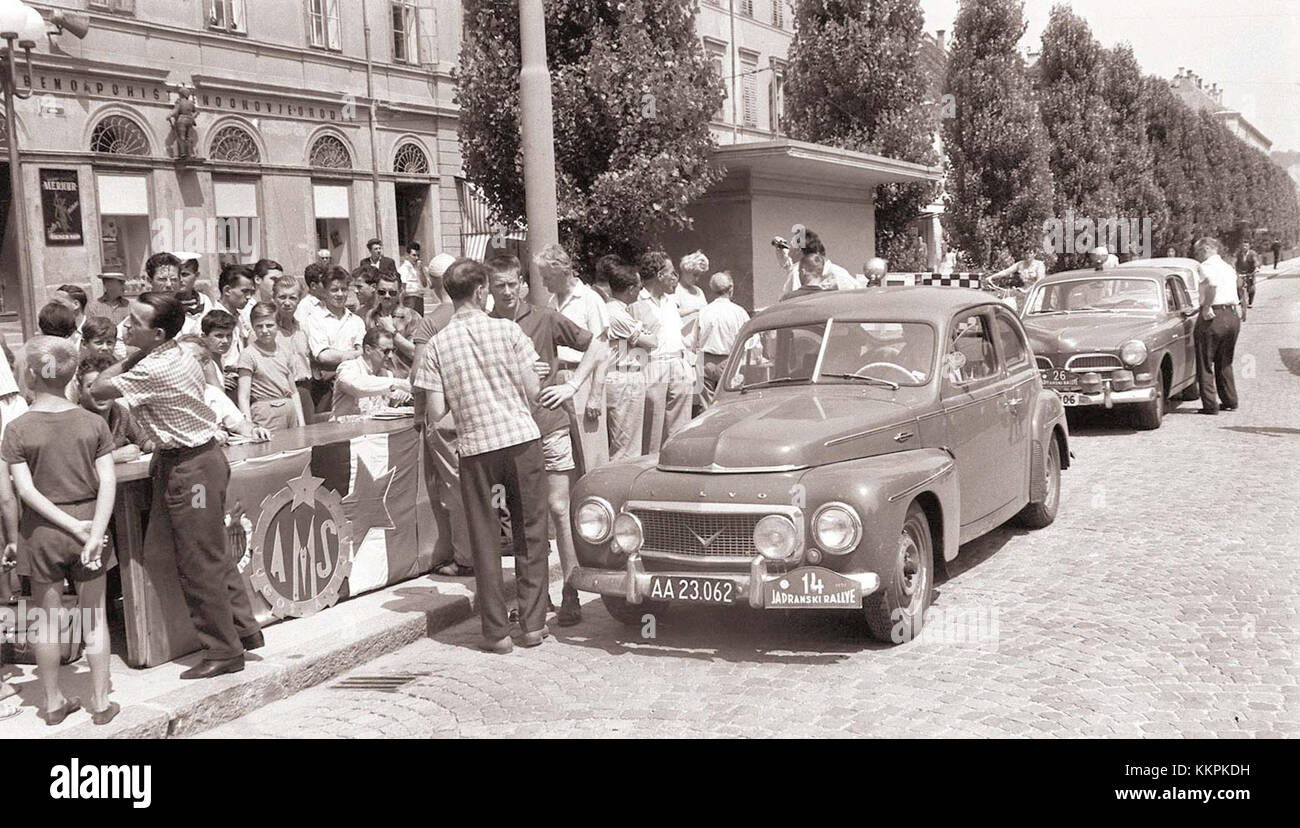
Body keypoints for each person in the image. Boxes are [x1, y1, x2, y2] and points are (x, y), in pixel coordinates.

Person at [89, 293, 263, 679]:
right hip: (193, 460)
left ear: (159, 333)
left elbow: (97, 389)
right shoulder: (176, 351)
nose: (126, 327)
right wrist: (140, 349)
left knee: (198, 561)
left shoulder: (154, 367)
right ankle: (244, 630)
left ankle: (223, 649)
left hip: (191, 466)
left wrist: (129, 355)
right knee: (212, 552)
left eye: (135, 322)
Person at [412, 259, 551, 654]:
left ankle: (496, 632)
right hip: (521, 440)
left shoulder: (438, 345)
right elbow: (532, 390)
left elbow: (437, 416)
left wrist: (473, 411)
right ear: (479, 291)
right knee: (531, 531)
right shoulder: (508, 330)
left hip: (476, 448)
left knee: (485, 540)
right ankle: (534, 624)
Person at [1, 336, 118, 725]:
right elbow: (108, 483)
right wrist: (94, 531)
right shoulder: (93, 422)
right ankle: (101, 702)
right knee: (95, 617)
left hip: (43, 533)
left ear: (31, 375)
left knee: (46, 622)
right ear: (71, 377)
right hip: (90, 525)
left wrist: (67, 524)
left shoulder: (17, 429)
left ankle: (52, 703)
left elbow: (26, 491)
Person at [488, 256, 607, 627]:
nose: (507, 292)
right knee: (521, 515)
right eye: (498, 286)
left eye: (512, 284)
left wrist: (572, 384)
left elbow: (600, 344)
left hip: (550, 424)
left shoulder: (543, 317)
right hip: (508, 431)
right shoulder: (485, 326)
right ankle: (533, 601)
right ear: (486, 289)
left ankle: (571, 591)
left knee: (559, 509)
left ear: (522, 282)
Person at [410, 299, 472, 577]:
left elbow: (417, 375)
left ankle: (467, 558)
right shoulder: (489, 316)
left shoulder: (431, 323)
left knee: (457, 489)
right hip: (480, 412)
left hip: (447, 415)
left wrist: (418, 414)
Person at [634, 251, 694, 455]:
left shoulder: (671, 301)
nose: (675, 278)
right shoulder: (636, 302)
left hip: (678, 363)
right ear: (659, 275)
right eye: (672, 273)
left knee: (680, 427)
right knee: (652, 428)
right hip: (652, 365)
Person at [603, 262, 655, 462]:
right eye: (639, 287)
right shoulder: (618, 315)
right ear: (631, 289)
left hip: (617, 375)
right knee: (627, 445)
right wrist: (644, 330)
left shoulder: (614, 310)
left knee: (621, 441)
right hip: (625, 376)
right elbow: (652, 341)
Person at [176, 337, 272, 442]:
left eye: (190, 358)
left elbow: (239, 424)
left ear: (204, 363)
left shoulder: (213, 393)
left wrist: (254, 430)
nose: (182, 363)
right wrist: (206, 436)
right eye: (178, 358)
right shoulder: (164, 394)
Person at [237, 302, 308, 433]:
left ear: (277, 326)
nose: (264, 330)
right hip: (265, 412)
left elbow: (294, 392)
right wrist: (249, 427)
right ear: (253, 327)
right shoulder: (248, 355)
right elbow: (244, 396)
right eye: (259, 326)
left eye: (269, 325)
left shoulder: (285, 351)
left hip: (289, 409)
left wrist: (301, 421)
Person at [304, 266, 366, 412]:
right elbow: (323, 355)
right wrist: (353, 354)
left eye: (344, 289)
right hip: (326, 389)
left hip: (355, 385)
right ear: (325, 292)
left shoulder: (356, 321)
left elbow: (364, 352)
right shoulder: (315, 319)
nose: (340, 294)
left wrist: (339, 356)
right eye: (334, 290)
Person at [1192, 237, 1241, 415]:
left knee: (1205, 361)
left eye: (1197, 252)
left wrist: (1206, 307)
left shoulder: (1205, 267)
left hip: (1214, 315)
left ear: (1206, 249)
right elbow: (1239, 285)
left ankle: (1210, 405)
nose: (1197, 256)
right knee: (1225, 361)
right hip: (1232, 314)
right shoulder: (1228, 267)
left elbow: (1212, 285)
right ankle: (1230, 399)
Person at [76, 352, 153, 462]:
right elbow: (70, 462)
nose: (100, 392)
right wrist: (114, 457)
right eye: (91, 386)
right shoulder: (73, 419)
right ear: (80, 390)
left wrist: (155, 445)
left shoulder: (120, 413)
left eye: (105, 386)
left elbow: (144, 441)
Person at [331, 328, 412, 418]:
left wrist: (402, 394)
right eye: (385, 351)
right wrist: (398, 384)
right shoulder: (348, 368)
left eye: (392, 351)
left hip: (375, 429)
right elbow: (358, 386)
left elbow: (387, 403)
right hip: (344, 429)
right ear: (368, 350)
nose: (390, 356)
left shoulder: (387, 375)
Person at [695, 271, 751, 402]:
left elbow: (694, 342)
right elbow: (751, 342)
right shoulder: (739, 312)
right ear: (731, 287)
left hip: (705, 362)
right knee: (729, 402)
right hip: (729, 361)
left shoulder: (704, 311)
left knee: (706, 406)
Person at [364, 271, 420, 374]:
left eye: (392, 292)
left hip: (403, 378)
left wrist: (393, 332)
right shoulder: (370, 315)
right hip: (377, 380)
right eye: (382, 292)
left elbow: (416, 353)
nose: (387, 296)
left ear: (400, 292)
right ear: (375, 290)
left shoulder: (412, 317)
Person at [776, 227, 857, 293]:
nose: (789, 253)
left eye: (791, 247)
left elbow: (791, 305)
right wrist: (780, 249)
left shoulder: (798, 273)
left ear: (798, 250)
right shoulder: (840, 272)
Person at [199, 309, 240, 397]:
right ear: (204, 336)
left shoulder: (219, 358)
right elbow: (220, 397)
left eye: (229, 335)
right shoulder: (205, 361)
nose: (225, 341)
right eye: (219, 336)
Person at [246, 259, 284, 326]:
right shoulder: (245, 308)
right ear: (257, 279)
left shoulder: (280, 306)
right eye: (274, 279)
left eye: (280, 280)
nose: (278, 284)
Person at [1234, 240, 1258, 312]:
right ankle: (1240, 299)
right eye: (1243, 246)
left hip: (1250, 272)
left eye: (1246, 246)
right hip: (1240, 271)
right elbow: (1234, 261)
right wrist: (1233, 268)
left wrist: (1256, 268)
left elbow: (1256, 261)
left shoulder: (1252, 253)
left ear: (1249, 247)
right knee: (1238, 286)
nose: (1244, 247)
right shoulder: (1239, 254)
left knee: (1251, 288)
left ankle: (1250, 302)